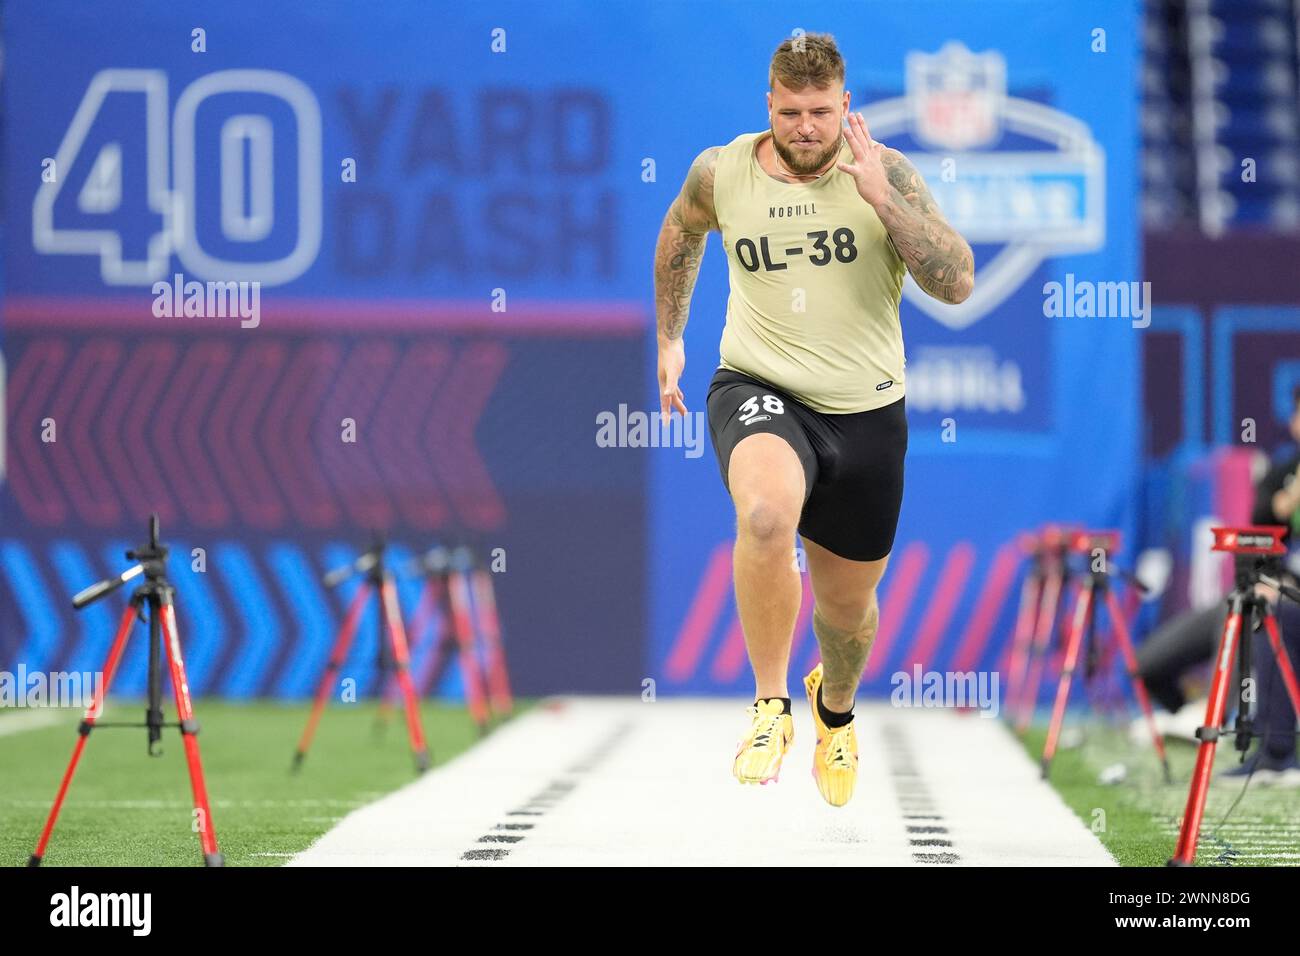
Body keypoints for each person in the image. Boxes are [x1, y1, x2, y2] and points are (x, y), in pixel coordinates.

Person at [652, 33, 973, 806]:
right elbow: (680, 233)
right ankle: (771, 707)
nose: (805, 127)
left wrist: (883, 201)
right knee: (764, 515)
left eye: (821, 112)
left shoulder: (886, 171)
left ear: (845, 107)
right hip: (758, 385)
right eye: (791, 111)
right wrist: (669, 335)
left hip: (866, 413)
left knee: (848, 613)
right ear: (769, 105)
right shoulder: (720, 170)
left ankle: (835, 710)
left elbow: (957, 283)